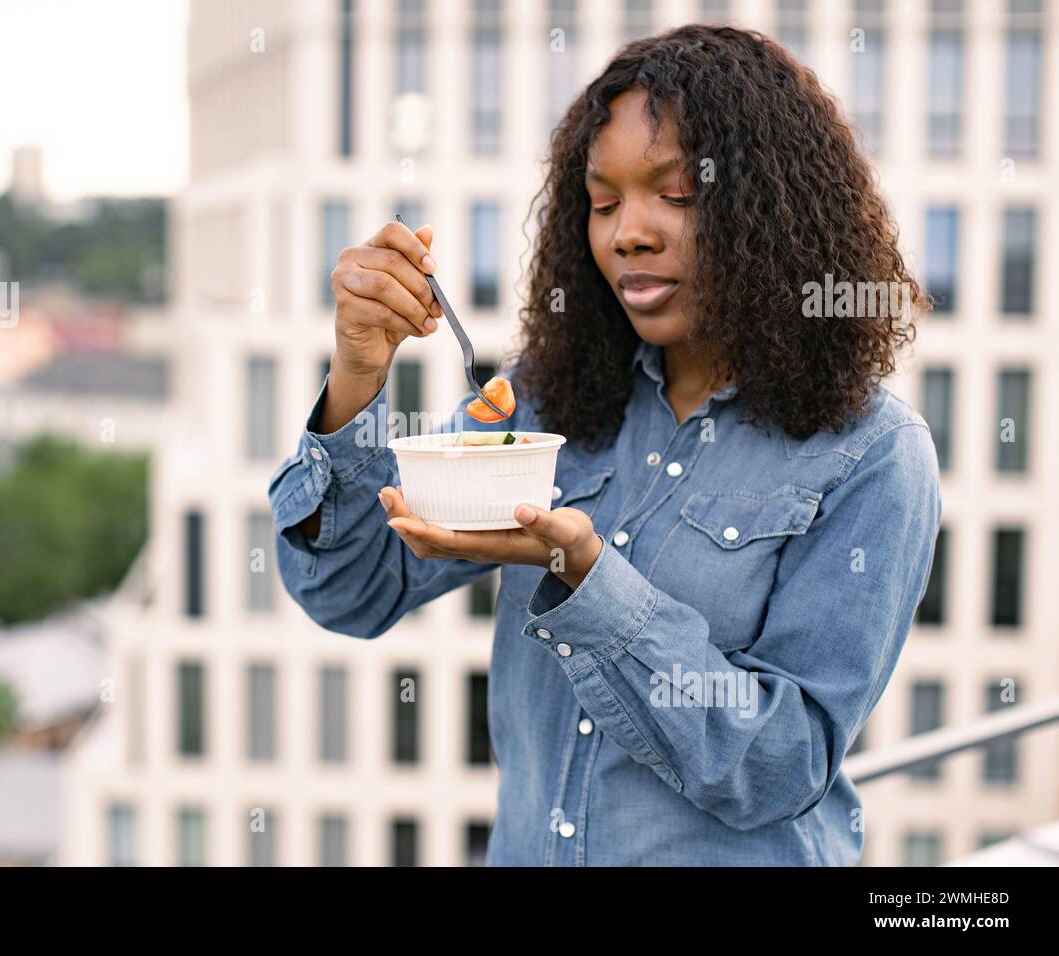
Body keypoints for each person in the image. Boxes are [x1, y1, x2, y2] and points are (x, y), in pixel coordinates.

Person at [267, 23, 942, 866]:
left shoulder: (873, 454)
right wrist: (358, 377)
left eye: (678, 193)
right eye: (605, 200)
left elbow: (783, 764)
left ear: (775, 207)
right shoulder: (551, 399)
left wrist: (589, 580)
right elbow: (351, 591)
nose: (630, 233)